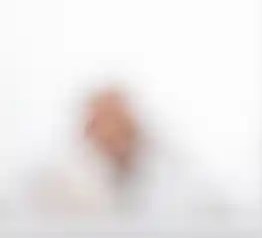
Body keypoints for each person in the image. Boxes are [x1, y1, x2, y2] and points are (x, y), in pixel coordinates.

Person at [23, 87, 221, 223]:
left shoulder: (174, 172)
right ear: (88, 127)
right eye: (103, 120)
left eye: (118, 120)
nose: (111, 130)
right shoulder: (58, 178)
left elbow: (209, 206)